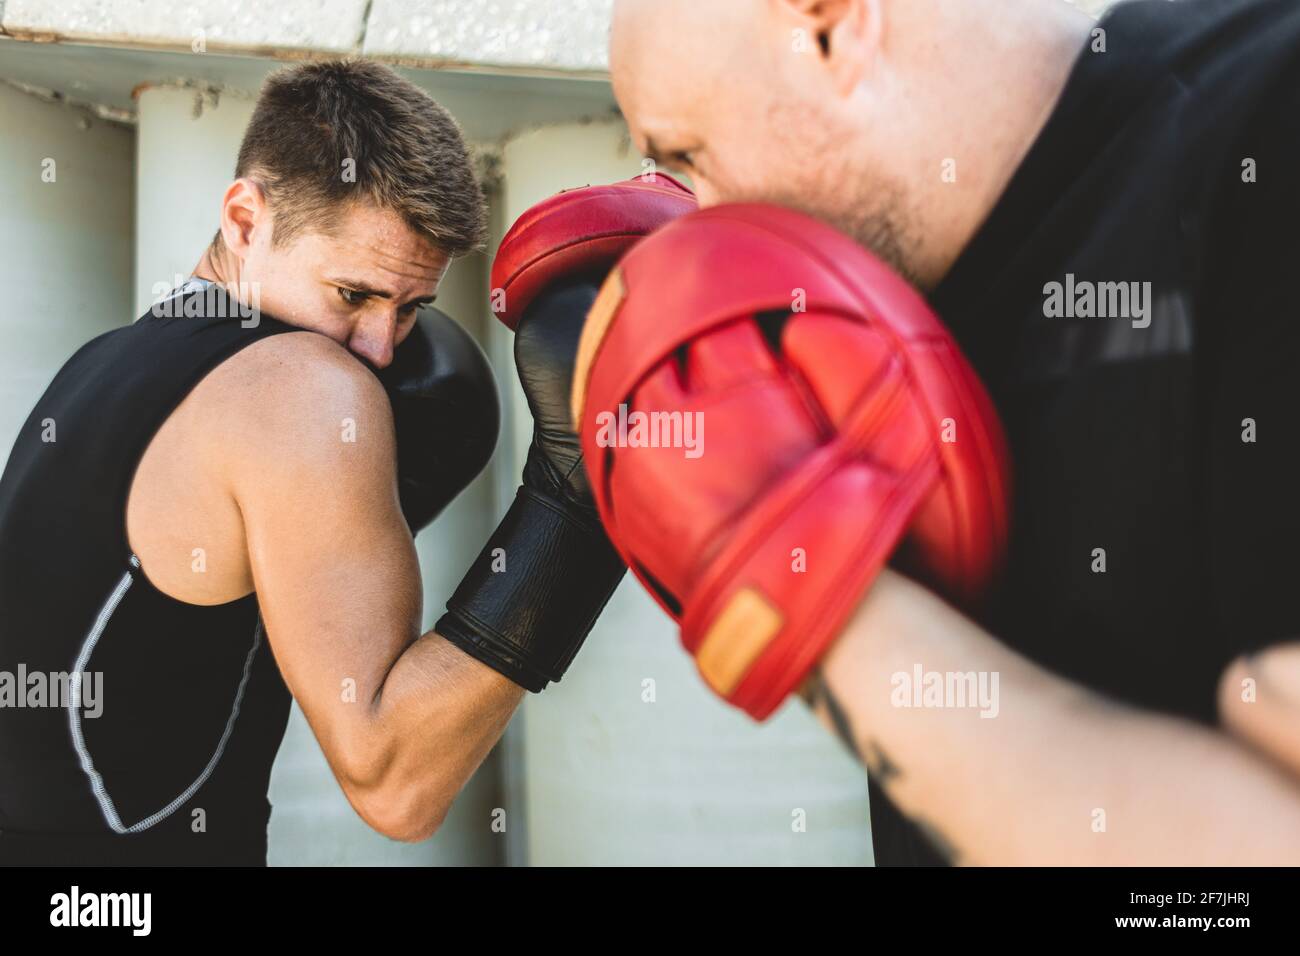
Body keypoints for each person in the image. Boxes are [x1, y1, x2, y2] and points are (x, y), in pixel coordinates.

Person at [599, 0, 1300, 864]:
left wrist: (811, 583)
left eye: (690, 155)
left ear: (831, 27)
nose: (704, 221)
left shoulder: (1269, 127)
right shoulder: (881, 295)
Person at [0, 58, 649, 865]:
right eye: (353, 295)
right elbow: (395, 782)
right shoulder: (304, 387)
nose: (378, 348)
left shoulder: (100, 364)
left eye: (411, 308)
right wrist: (577, 499)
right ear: (246, 220)